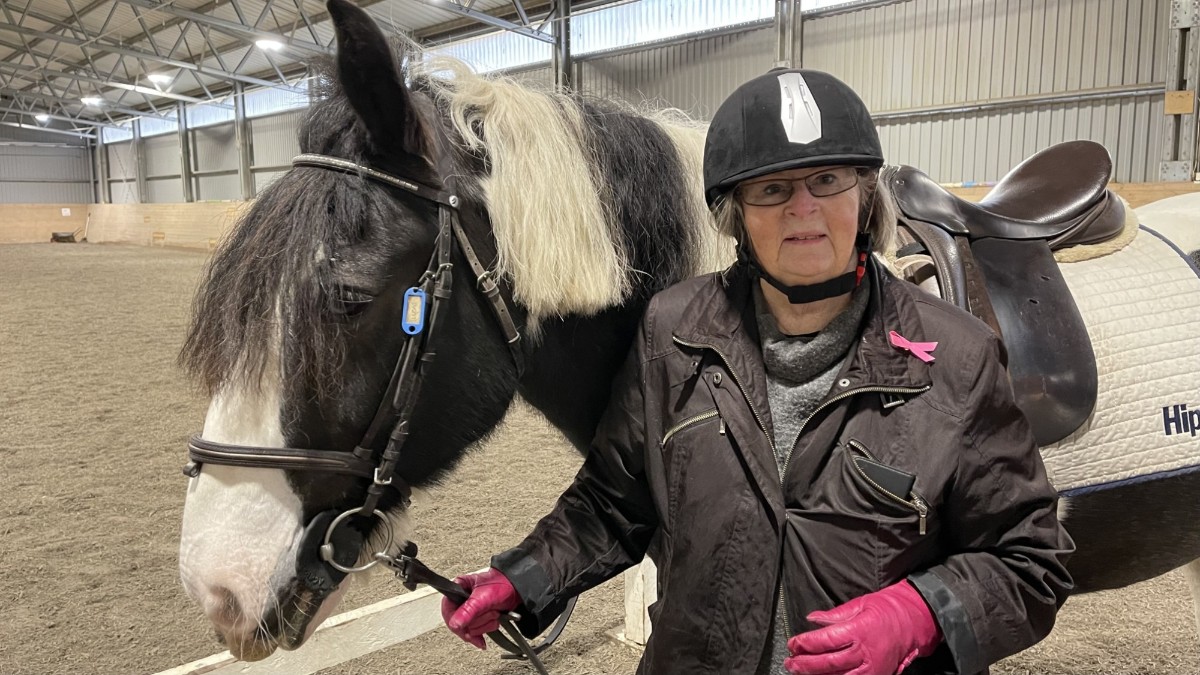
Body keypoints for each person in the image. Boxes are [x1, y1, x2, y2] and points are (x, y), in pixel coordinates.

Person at [441, 68, 1074, 675]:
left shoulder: (959, 354)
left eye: (826, 179)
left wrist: (918, 614)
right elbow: (613, 501)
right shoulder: (672, 330)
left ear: (863, 193)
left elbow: (1029, 558)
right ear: (736, 213)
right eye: (772, 189)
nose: (803, 208)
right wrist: (519, 578)